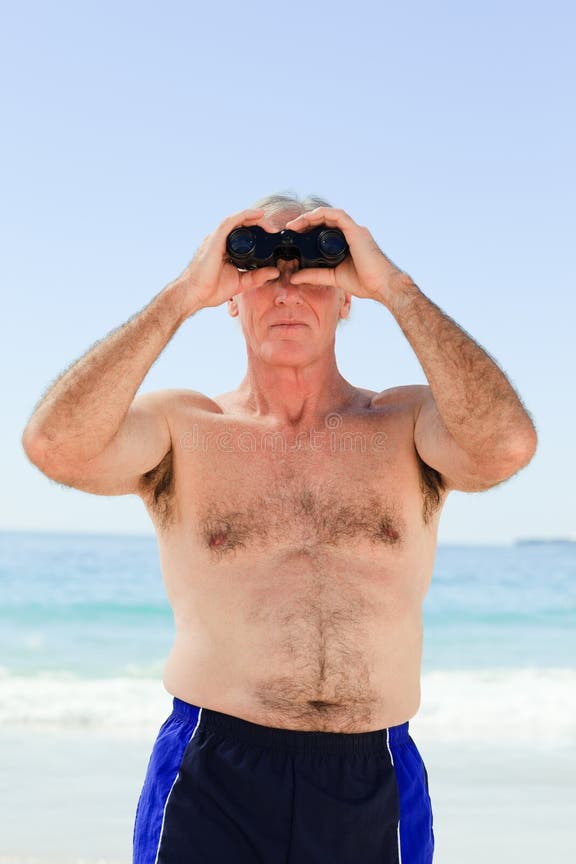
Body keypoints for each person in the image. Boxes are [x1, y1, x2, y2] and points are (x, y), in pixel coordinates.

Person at [21, 192, 538, 863]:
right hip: (212, 773)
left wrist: (395, 287)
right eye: (261, 269)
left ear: (347, 295)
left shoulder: (406, 424)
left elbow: (507, 445)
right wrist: (182, 293)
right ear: (231, 297)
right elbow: (54, 445)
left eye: (312, 270)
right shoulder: (187, 428)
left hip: (373, 774)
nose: (286, 290)